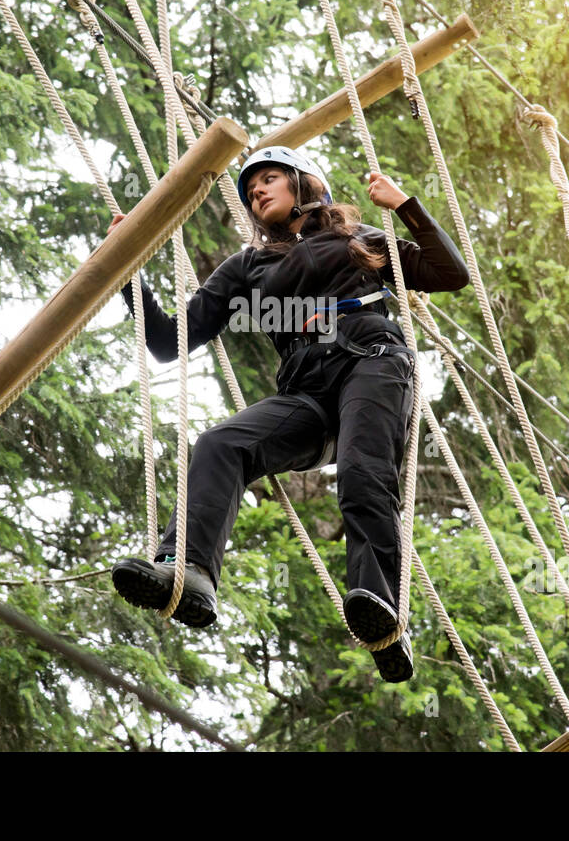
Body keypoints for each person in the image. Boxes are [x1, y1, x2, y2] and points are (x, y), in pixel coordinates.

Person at [108, 146, 470, 682]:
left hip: (371, 364)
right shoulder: (247, 268)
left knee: (362, 473)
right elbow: (169, 341)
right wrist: (128, 269)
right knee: (220, 444)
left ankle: (381, 609)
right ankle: (189, 573)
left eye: (269, 179)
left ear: (304, 184)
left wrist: (406, 207)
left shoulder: (358, 240)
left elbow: (449, 273)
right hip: (307, 392)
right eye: (250, 189)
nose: (256, 191)